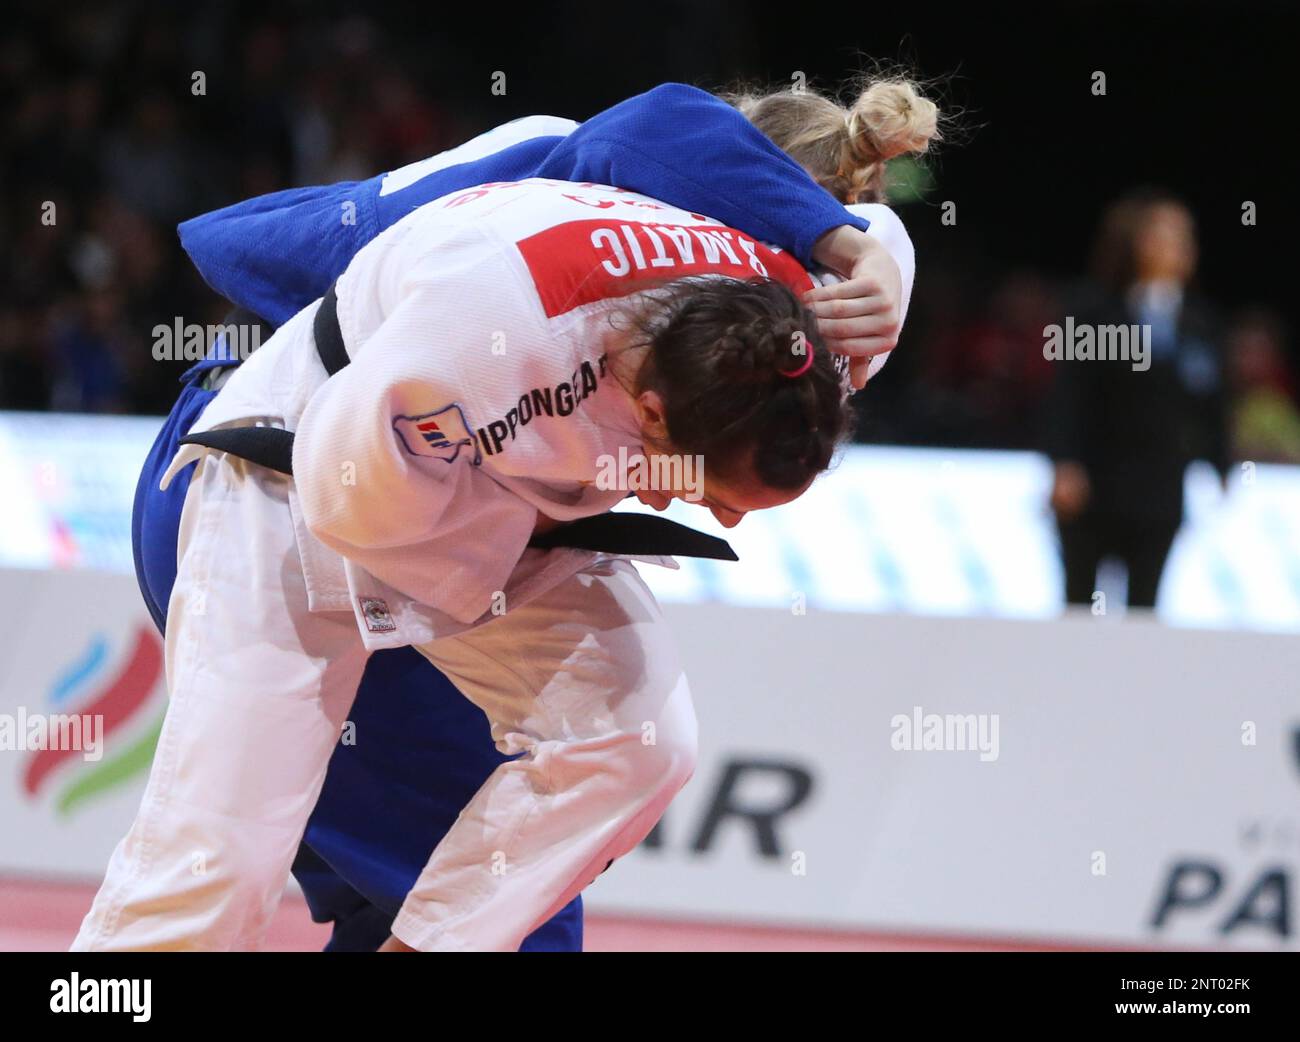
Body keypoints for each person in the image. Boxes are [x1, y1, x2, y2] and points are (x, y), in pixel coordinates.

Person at [88, 80, 933, 951]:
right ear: (652, 410)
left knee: (634, 742)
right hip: (296, 470)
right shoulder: (515, 289)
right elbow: (351, 497)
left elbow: (876, 237)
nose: (715, 512)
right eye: (698, 481)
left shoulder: (798, 308)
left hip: (481, 493)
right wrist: (507, 555)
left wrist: (877, 260)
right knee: (217, 863)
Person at [1044, 191, 1227, 609]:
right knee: (1079, 603)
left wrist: (1221, 462)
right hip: (1094, 483)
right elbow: (1068, 394)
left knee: (1146, 607)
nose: (1178, 247)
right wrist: (1064, 464)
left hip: (1160, 490)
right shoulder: (1092, 311)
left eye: (1184, 237)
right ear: (1132, 243)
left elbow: (1213, 402)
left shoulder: (1201, 323)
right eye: (1163, 235)